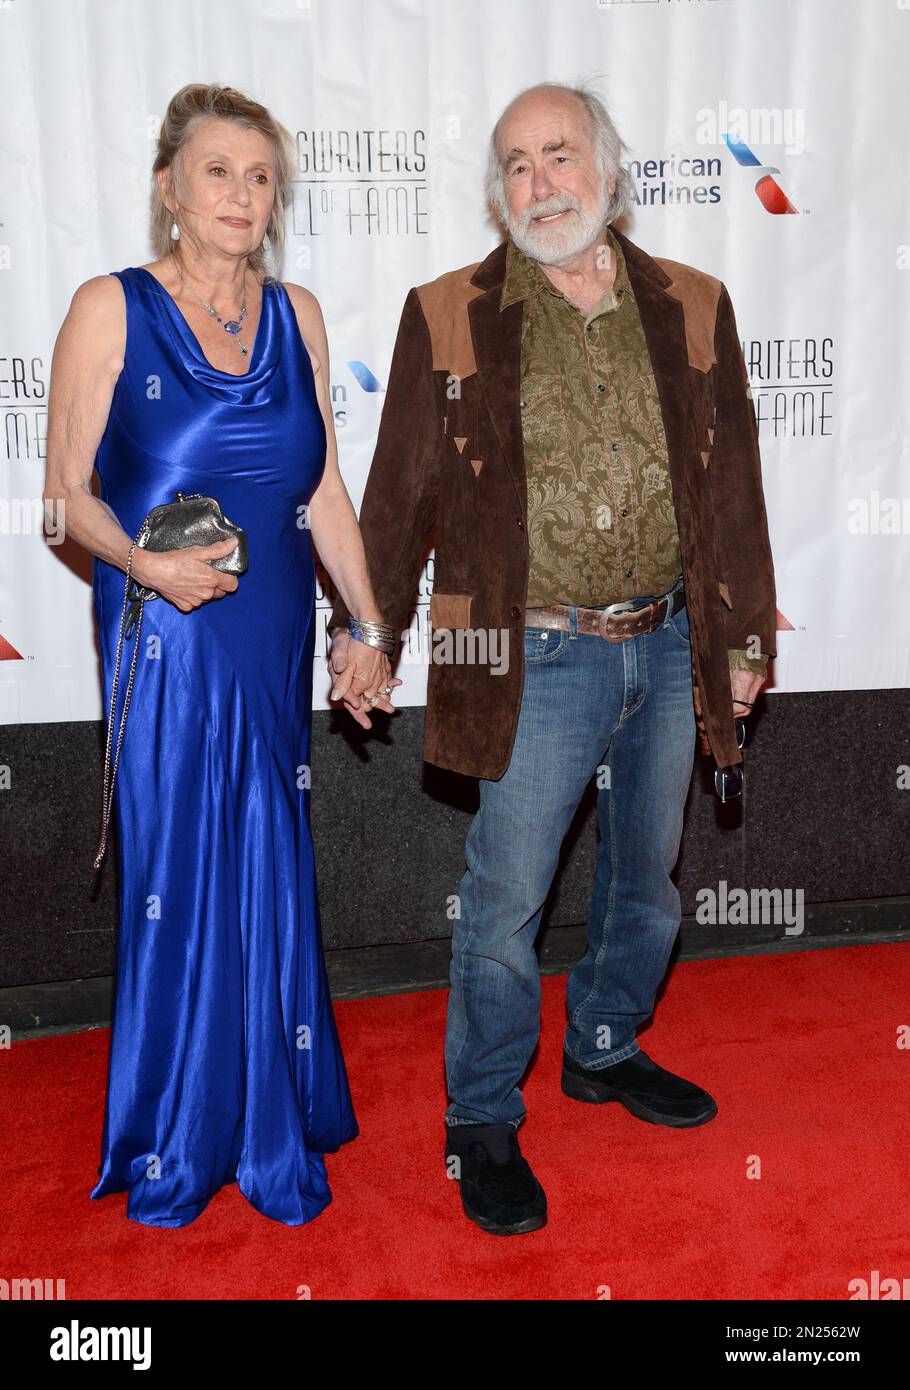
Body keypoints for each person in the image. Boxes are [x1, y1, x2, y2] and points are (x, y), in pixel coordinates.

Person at [327, 82, 777, 1236]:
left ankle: (605, 1044)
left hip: (671, 642)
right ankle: (480, 1116)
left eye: (559, 155)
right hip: (528, 654)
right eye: (516, 165)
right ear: (497, 191)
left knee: (649, 882)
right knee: (504, 901)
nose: (540, 182)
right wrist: (367, 636)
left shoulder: (692, 303)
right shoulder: (449, 313)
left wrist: (743, 636)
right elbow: (397, 499)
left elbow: (729, 489)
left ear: (609, 174)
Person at [43, 82, 398, 1227]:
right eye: (216, 172)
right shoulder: (112, 307)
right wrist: (145, 568)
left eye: (258, 176)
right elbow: (65, 502)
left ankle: (272, 1104)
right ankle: (178, 1129)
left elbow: (326, 490)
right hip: (166, 634)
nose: (240, 195)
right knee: (182, 873)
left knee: (268, 857)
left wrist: (370, 624)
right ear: (169, 190)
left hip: (268, 628)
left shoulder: (298, 314)